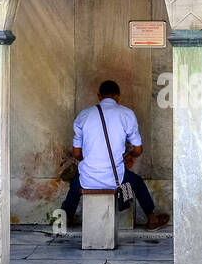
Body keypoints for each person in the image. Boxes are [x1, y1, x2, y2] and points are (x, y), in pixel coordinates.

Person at [61, 80, 170, 231]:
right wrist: (130, 156)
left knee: (75, 184)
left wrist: (91, 161)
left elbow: (77, 153)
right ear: (118, 97)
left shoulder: (84, 115)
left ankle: (67, 218)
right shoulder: (127, 114)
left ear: (99, 96)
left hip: (88, 178)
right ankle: (152, 218)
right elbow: (138, 149)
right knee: (136, 182)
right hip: (116, 179)